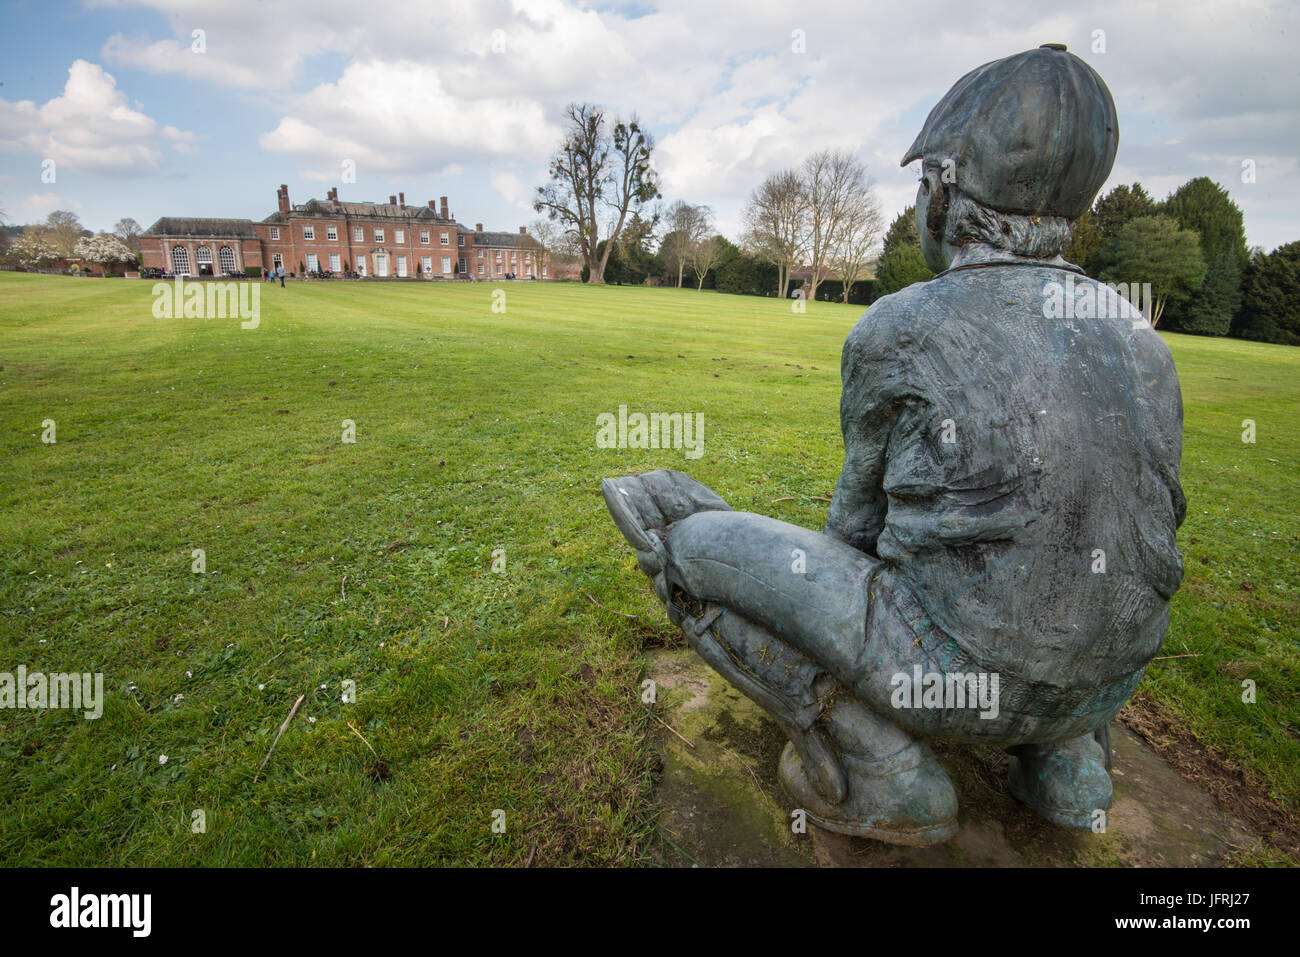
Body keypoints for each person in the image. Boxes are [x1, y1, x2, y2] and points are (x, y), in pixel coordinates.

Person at [603, 44, 1184, 844]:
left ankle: (883, 769)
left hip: (955, 678)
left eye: (923, 185)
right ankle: (1067, 764)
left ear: (943, 192)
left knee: (683, 540)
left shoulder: (903, 325)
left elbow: (850, 537)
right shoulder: (1145, 344)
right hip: (1110, 682)